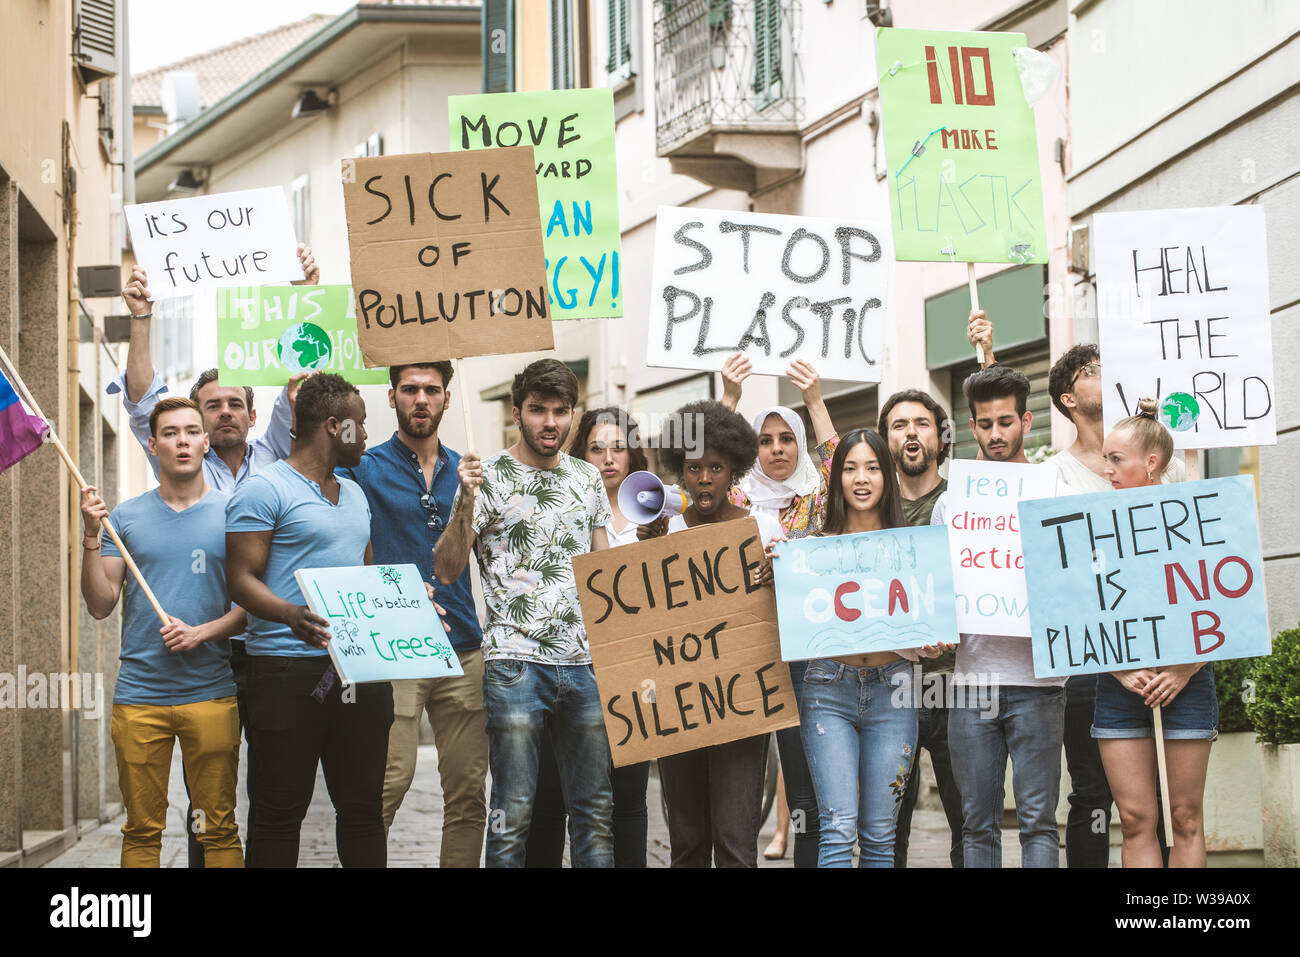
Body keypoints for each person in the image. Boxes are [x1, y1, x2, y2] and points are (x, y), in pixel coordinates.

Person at [114, 251, 317, 865]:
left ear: (252, 417)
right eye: (211, 406)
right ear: (190, 424)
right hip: (199, 657)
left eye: (235, 404)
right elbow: (143, 394)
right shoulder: (175, 456)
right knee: (200, 810)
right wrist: (142, 319)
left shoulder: (277, 454)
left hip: (264, 650)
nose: (223, 412)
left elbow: (299, 384)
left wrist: (301, 299)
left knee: (259, 793)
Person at [434, 359, 614, 868]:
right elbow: (447, 569)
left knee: (595, 810)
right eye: (538, 410)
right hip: (515, 665)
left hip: (585, 667)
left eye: (561, 411)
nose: (550, 422)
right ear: (517, 413)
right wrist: (465, 501)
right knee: (511, 814)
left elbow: (604, 574)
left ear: (573, 415)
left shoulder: (587, 478)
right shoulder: (486, 475)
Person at [226, 374, 394, 867]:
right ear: (334, 426)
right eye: (359, 425)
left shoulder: (357, 496)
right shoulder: (263, 489)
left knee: (364, 811)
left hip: (357, 671)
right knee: (278, 814)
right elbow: (239, 579)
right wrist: (288, 613)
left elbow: (363, 578)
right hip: (284, 671)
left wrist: (402, 598)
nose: (365, 435)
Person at [79, 397, 245, 867]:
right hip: (139, 696)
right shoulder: (125, 518)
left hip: (211, 693)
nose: (182, 441)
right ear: (153, 445)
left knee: (219, 829)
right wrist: (91, 537)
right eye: (170, 433)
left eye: (192, 431)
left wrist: (204, 632)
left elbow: (254, 606)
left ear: (206, 441)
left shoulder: (236, 512)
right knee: (141, 831)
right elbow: (99, 604)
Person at [337, 362, 488, 867]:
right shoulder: (361, 468)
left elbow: (456, 565)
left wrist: (467, 495)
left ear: (447, 398)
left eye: (431, 390)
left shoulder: (468, 470)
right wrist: (390, 590)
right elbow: (339, 545)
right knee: (386, 785)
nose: (420, 399)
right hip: (393, 648)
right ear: (391, 398)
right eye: (409, 390)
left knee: (468, 796)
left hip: (462, 646)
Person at [1044, 342, 1184, 867]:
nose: (1106, 374)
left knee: (1172, 809)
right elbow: (1066, 578)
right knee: (1097, 798)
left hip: (1171, 659)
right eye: (1091, 371)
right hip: (1096, 663)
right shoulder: (1055, 477)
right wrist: (1118, 667)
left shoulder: (1168, 462)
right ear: (1068, 398)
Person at [787, 428, 951, 867]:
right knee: (837, 829)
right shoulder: (810, 550)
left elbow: (925, 631)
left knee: (880, 836)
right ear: (837, 477)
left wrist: (931, 645)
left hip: (894, 691)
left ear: (888, 475)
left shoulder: (915, 550)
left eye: (873, 468)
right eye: (851, 468)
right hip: (826, 691)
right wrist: (778, 571)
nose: (862, 478)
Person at [932, 365, 1067, 868]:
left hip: (1041, 684)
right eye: (984, 424)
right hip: (972, 685)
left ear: (1027, 422)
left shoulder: (1054, 493)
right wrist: (934, 631)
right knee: (977, 825)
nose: (995, 434)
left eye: (1005, 422)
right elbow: (938, 589)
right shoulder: (952, 504)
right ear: (972, 426)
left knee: (1038, 822)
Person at [639, 399, 781, 868]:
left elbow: (785, 613)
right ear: (680, 469)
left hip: (741, 703)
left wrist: (776, 579)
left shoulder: (762, 530)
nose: (704, 479)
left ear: (735, 470)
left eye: (716, 467)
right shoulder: (660, 532)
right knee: (688, 842)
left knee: (736, 842)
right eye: (694, 467)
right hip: (679, 708)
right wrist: (647, 557)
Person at [718, 354, 837, 867]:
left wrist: (813, 398)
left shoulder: (817, 499)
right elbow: (709, 463)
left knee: (804, 785)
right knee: (735, 790)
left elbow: (838, 459)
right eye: (764, 441)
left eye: (785, 438)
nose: (776, 449)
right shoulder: (738, 498)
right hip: (742, 656)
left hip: (804, 664)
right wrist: (729, 398)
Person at [526, 407, 651, 868]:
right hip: (566, 668)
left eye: (618, 447)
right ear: (581, 454)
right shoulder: (554, 506)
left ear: (634, 453)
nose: (608, 458)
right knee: (549, 797)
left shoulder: (659, 513)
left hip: (635, 675)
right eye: (596, 448)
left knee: (628, 800)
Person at [1096, 399, 1216, 868]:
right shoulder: (1093, 523)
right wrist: (1121, 670)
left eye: (1116, 459)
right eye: (1105, 458)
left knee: (1186, 817)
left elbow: (1225, 605)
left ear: (1152, 463)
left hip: (1187, 681)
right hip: (1119, 684)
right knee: (1135, 818)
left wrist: (1185, 668)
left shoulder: (1198, 516)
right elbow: (1078, 607)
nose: (1106, 468)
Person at [878, 389, 965, 868]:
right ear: (885, 438)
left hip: (963, 687)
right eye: (898, 425)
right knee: (888, 826)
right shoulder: (867, 510)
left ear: (940, 435)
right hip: (890, 687)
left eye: (922, 423)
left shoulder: (968, 504)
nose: (911, 432)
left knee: (970, 823)